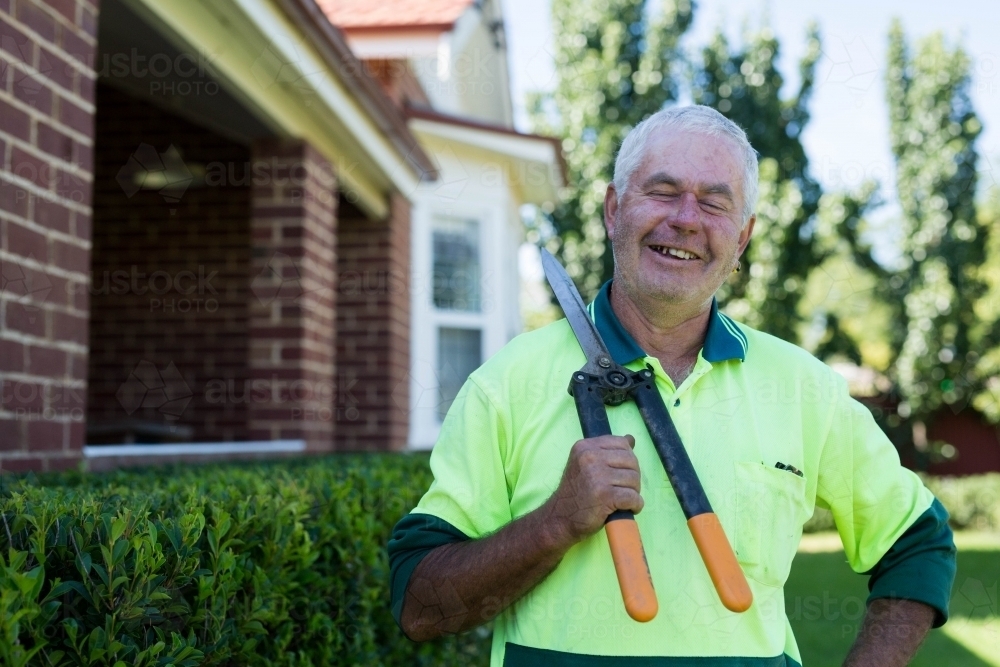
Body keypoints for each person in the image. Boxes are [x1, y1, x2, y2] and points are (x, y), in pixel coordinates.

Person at [388, 105, 956, 666]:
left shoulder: (805, 387)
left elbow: (918, 543)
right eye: (662, 192)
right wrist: (555, 523)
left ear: (743, 237)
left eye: (714, 202)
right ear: (614, 210)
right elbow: (420, 606)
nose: (686, 219)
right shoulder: (505, 384)